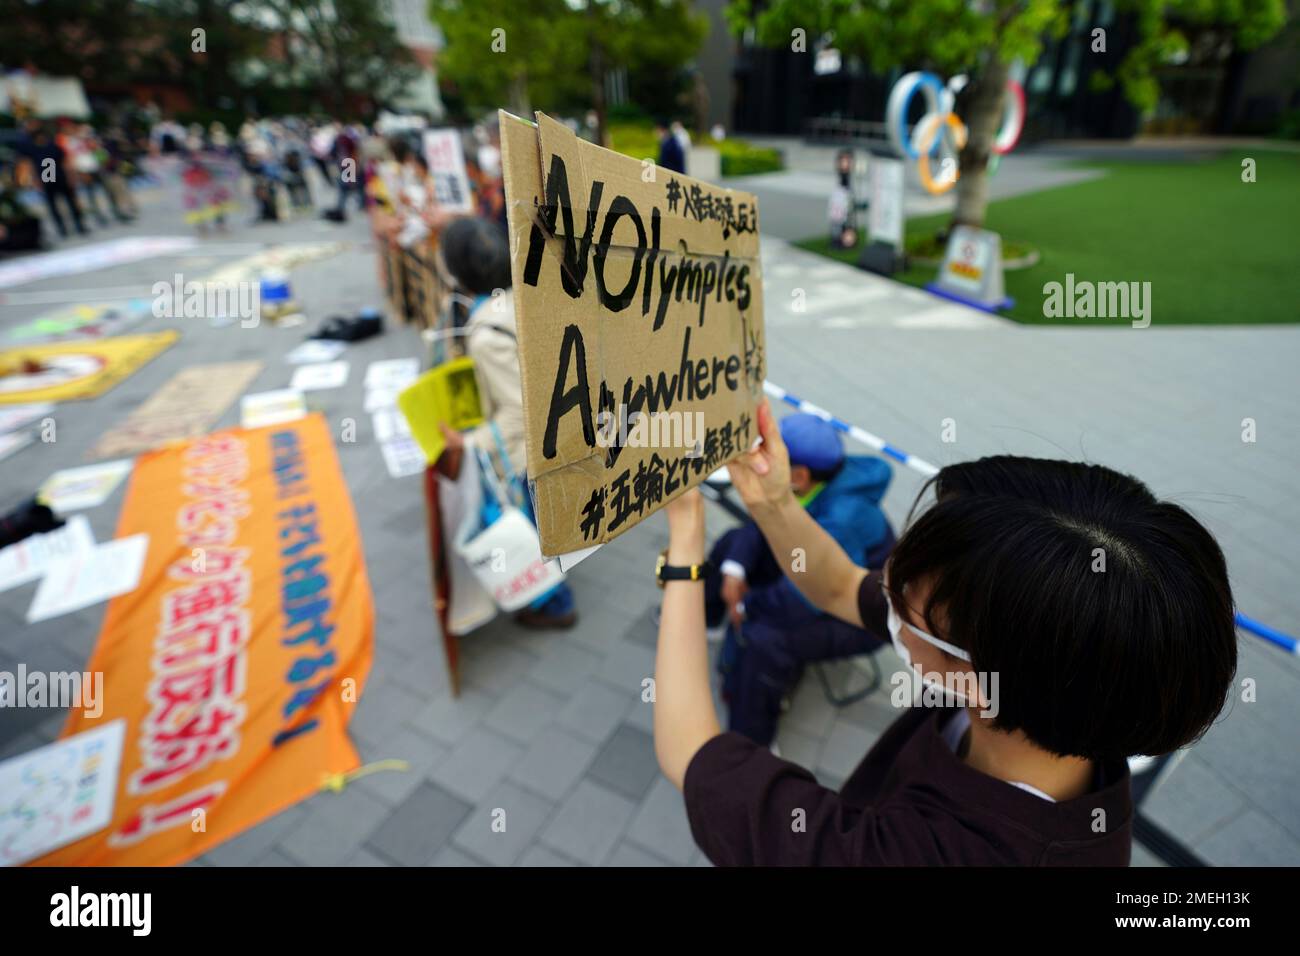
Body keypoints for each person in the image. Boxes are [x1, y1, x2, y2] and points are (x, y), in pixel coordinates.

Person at [653, 400, 1238, 865]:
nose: (887, 589)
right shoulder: (1069, 691)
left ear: (977, 678)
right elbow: (834, 585)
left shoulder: (923, 853)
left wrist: (685, 541)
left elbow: (690, 750)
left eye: (905, 599)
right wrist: (772, 498)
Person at [707, 413, 894, 747]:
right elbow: (763, 522)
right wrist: (735, 569)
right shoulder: (813, 482)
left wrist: (748, 605)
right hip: (812, 578)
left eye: (767, 457)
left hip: (863, 618)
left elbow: (812, 596)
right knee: (730, 547)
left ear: (798, 474)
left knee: (765, 639)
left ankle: (751, 743)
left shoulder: (842, 520)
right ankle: (710, 621)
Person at [432, 217, 578, 630]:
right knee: (547, 522)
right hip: (558, 431)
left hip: (528, 452)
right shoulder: (525, 295)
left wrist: (468, 442)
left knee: (531, 531)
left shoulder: (487, 332)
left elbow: (516, 414)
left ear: (458, 271)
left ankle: (556, 604)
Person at [16, 123, 87, 238]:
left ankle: (79, 225)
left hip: (60, 177)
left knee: (71, 202)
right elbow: (30, 165)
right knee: (53, 206)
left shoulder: (53, 146)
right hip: (47, 179)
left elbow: (65, 161)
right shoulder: (33, 149)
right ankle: (62, 228)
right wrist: (35, 180)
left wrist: (71, 176)